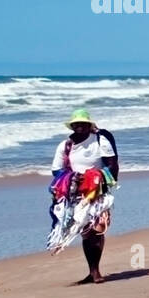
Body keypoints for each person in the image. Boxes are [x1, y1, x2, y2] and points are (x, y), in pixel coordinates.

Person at [50, 109, 119, 283]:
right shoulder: (65, 146)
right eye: (76, 124)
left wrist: (96, 177)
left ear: (89, 125)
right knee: (85, 232)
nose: (79, 126)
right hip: (75, 194)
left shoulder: (100, 140)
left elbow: (112, 164)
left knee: (97, 229)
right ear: (72, 126)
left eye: (83, 123)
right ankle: (93, 271)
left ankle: (95, 271)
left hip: (97, 192)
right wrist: (73, 177)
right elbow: (56, 170)